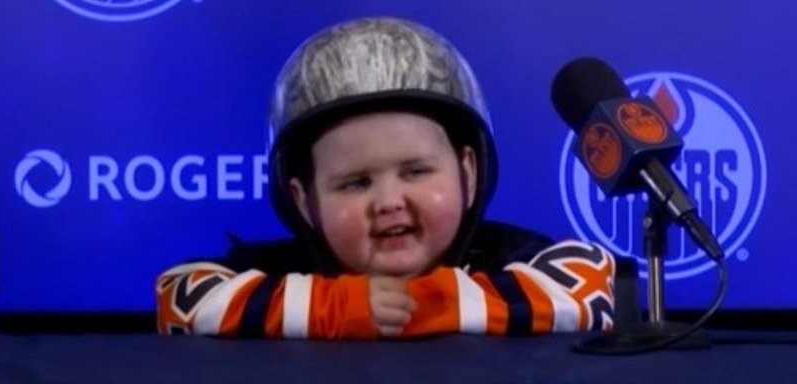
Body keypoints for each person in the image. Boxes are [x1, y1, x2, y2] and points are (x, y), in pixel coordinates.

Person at [156, 17, 614, 339]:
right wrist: (339, 308)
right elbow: (181, 296)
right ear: (303, 201)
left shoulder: (511, 258)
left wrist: (420, 305)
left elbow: (586, 284)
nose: (389, 201)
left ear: (468, 174)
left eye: (415, 171)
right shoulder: (283, 271)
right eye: (355, 183)